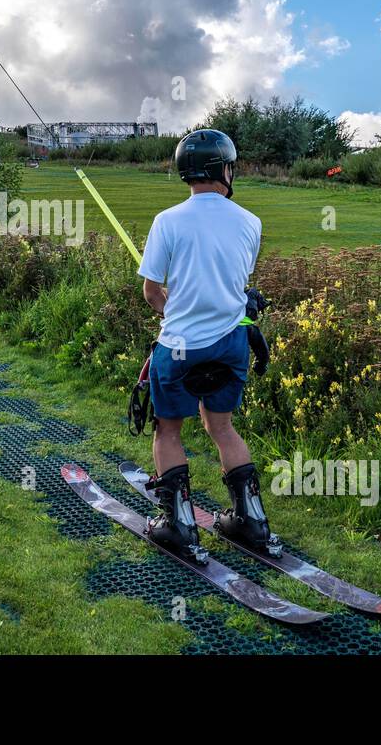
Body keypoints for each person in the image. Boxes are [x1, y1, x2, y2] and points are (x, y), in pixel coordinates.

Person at [135, 128, 276, 564]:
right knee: (222, 427)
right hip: (232, 344)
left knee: (168, 429)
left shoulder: (167, 221)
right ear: (223, 169)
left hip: (179, 348)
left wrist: (172, 310)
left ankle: (179, 526)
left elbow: (151, 291)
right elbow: (236, 283)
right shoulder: (250, 223)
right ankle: (250, 520)